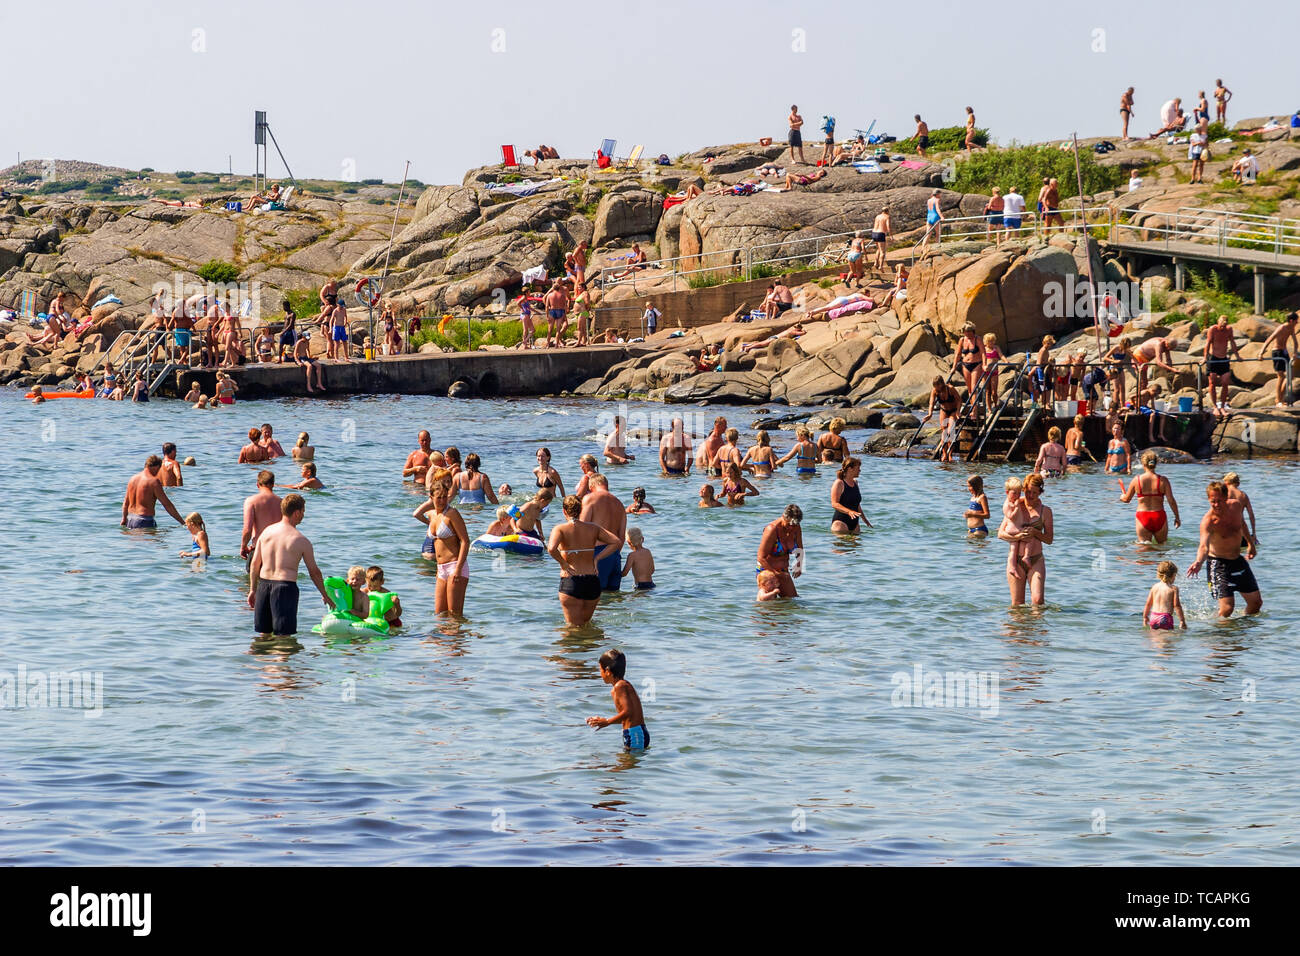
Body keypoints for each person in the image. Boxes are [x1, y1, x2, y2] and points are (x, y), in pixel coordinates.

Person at [247, 494, 331, 641]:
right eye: (303, 512)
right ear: (297, 512)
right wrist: (325, 595)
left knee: (263, 637)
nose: (303, 516)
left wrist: (252, 589)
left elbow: (254, 564)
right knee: (284, 639)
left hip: (263, 585)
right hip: (284, 589)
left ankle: (263, 663)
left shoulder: (266, 532)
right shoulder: (301, 540)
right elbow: (314, 572)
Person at [1185, 481, 1261, 617]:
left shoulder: (1236, 506)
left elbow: (1242, 524)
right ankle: (1220, 635)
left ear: (1226, 497)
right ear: (1208, 499)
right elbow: (1203, 546)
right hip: (1218, 564)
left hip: (1237, 560)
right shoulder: (1208, 521)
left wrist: (1251, 544)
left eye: (1219, 501)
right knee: (1227, 609)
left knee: (1256, 604)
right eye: (1213, 501)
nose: (1216, 505)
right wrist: (1198, 562)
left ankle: (1243, 630)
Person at [549, 494, 622, 626]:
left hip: (571, 580)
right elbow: (616, 542)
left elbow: (551, 549)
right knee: (585, 625)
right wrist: (597, 558)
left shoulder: (560, 529)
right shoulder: (593, 528)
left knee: (572, 628)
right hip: (592, 581)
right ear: (581, 510)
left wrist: (563, 563)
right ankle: (589, 646)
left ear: (564, 511)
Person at [414, 469, 471, 615]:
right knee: (439, 615)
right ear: (431, 497)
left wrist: (458, 569)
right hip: (441, 569)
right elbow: (416, 513)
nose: (442, 501)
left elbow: (465, 541)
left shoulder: (452, 514)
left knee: (454, 615)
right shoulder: (432, 515)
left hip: (455, 566)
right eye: (438, 497)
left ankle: (460, 638)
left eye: (445, 497)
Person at [998, 473, 1053, 607]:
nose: (1030, 496)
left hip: (1036, 559)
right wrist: (1017, 537)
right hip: (1016, 561)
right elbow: (1000, 533)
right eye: (1028, 492)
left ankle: (1038, 628)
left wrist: (1035, 532)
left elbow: (1049, 539)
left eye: (1034, 492)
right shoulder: (1016, 505)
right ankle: (1019, 628)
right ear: (1023, 490)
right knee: (1017, 604)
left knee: (1038, 600)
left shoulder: (1045, 511)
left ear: (1040, 492)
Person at [585, 648, 649, 749]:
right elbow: (626, 717)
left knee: (626, 764)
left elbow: (628, 712)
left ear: (607, 671)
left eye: (600, 670)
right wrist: (601, 721)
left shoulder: (620, 686)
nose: (600, 674)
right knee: (624, 764)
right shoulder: (622, 685)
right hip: (634, 733)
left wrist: (607, 722)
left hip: (635, 734)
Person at [1119, 450, 1181, 544]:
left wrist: (1122, 496)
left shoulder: (1137, 480)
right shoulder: (1163, 480)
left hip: (1143, 516)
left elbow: (1126, 499)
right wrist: (1177, 517)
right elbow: (1171, 501)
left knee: (1144, 554)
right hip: (1159, 516)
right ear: (1156, 463)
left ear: (1143, 464)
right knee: (1162, 552)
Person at [580, 474, 627, 592]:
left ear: (591, 486)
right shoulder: (619, 504)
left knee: (595, 600)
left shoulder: (590, 498)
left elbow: (582, 528)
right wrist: (612, 553)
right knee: (612, 600)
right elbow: (622, 536)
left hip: (597, 554)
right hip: (615, 556)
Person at [121, 455, 186, 530]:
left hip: (130, 519)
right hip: (144, 521)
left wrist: (124, 519)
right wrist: (182, 522)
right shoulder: (153, 481)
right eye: (159, 470)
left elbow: (125, 503)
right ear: (156, 467)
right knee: (156, 541)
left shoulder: (132, 479)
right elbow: (167, 505)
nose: (158, 473)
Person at [757, 504, 804, 598]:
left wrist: (799, 564)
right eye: (789, 524)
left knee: (791, 602)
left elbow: (799, 549)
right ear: (783, 517)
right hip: (767, 572)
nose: (791, 528)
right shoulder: (772, 529)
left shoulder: (796, 528)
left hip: (783, 571)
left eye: (794, 525)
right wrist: (776, 574)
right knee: (769, 606)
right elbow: (761, 557)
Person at [1204, 314, 1242, 415]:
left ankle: (1222, 406)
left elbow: (1232, 342)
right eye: (1221, 326)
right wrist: (1204, 358)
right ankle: (1215, 406)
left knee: (1225, 382)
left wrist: (1237, 356)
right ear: (1218, 323)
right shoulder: (1213, 329)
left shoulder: (1229, 330)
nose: (1222, 328)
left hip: (1224, 359)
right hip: (1213, 358)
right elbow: (1208, 343)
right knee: (1212, 382)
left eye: (1224, 326)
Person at [1260, 311, 1299, 406]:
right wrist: (1261, 352)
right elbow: (1269, 339)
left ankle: (1280, 398)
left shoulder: (1291, 328)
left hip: (1284, 352)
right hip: (1277, 352)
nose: (1297, 323)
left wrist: (1295, 352)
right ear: (1291, 320)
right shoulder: (1282, 328)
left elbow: (1295, 342)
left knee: (1290, 376)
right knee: (1281, 377)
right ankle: (1278, 400)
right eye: (1296, 321)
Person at [922, 377, 962, 461]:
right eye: (935, 386)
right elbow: (931, 403)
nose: (936, 387)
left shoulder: (950, 388)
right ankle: (944, 454)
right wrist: (930, 414)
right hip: (943, 410)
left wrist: (958, 411)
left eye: (937, 385)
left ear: (942, 383)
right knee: (944, 432)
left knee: (950, 431)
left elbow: (959, 400)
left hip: (953, 411)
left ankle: (950, 454)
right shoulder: (935, 391)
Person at [829, 457, 869, 533]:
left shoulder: (855, 483)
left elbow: (857, 504)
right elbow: (834, 504)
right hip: (841, 523)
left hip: (855, 524)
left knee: (859, 544)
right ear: (850, 469)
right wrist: (849, 512)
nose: (860, 470)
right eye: (858, 468)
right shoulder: (839, 483)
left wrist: (864, 519)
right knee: (844, 543)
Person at [1144, 561, 1187, 630]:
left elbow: (1148, 603)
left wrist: (1145, 617)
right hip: (1165, 618)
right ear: (1173, 575)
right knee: (1167, 639)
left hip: (1153, 616)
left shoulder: (1154, 587)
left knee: (1155, 638)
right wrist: (1182, 620)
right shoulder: (1173, 589)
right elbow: (1177, 605)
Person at [1222, 472, 1258, 548]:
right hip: (1243, 533)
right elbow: (1251, 515)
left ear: (1227, 482)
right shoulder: (1243, 495)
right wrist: (1254, 533)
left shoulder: (1225, 494)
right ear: (1237, 483)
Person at [980, 333, 1003, 413]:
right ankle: (989, 409)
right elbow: (981, 359)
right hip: (985, 372)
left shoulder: (996, 348)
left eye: (993, 341)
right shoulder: (984, 349)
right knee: (987, 391)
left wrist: (1006, 361)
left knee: (994, 391)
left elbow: (1001, 355)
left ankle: (995, 405)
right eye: (989, 341)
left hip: (994, 371)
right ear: (986, 342)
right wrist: (983, 366)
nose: (991, 342)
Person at [543, 280, 569, 348]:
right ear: (559, 288)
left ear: (553, 288)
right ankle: (556, 344)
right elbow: (565, 306)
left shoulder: (549, 295)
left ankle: (547, 344)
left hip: (552, 311)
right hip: (560, 311)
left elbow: (546, 307)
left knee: (550, 329)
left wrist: (547, 315)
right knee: (558, 329)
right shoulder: (562, 295)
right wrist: (565, 315)